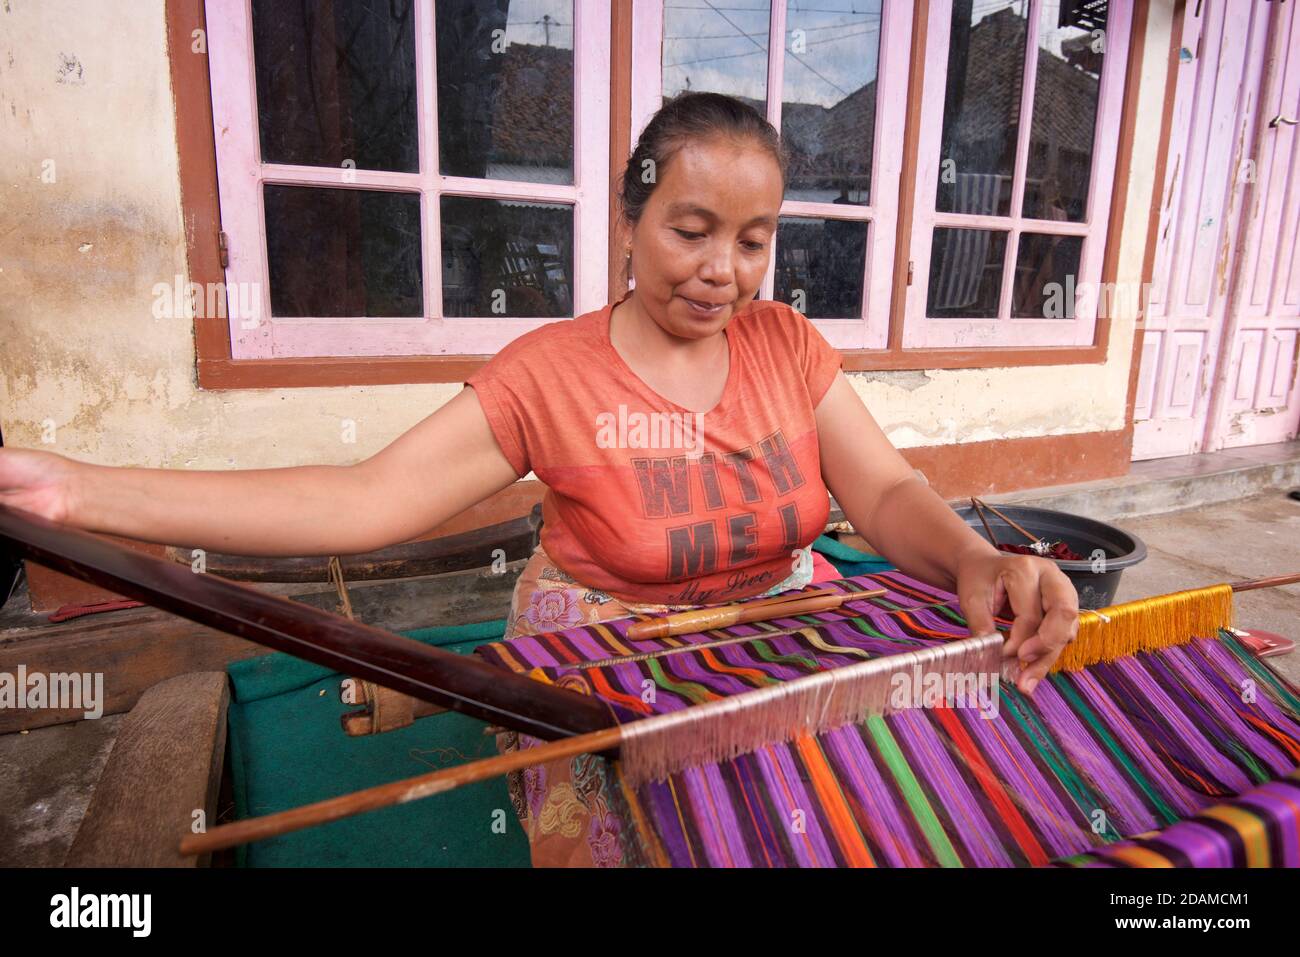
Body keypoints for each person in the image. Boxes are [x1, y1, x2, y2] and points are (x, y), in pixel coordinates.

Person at [0, 92, 1078, 863]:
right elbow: (363, 500)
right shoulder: (549, 375)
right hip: (598, 656)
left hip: (778, 635)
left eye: (753, 241)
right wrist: (70, 490)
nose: (722, 271)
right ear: (629, 223)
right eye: (690, 230)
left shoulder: (787, 346)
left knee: (901, 809)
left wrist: (978, 558)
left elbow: (885, 497)